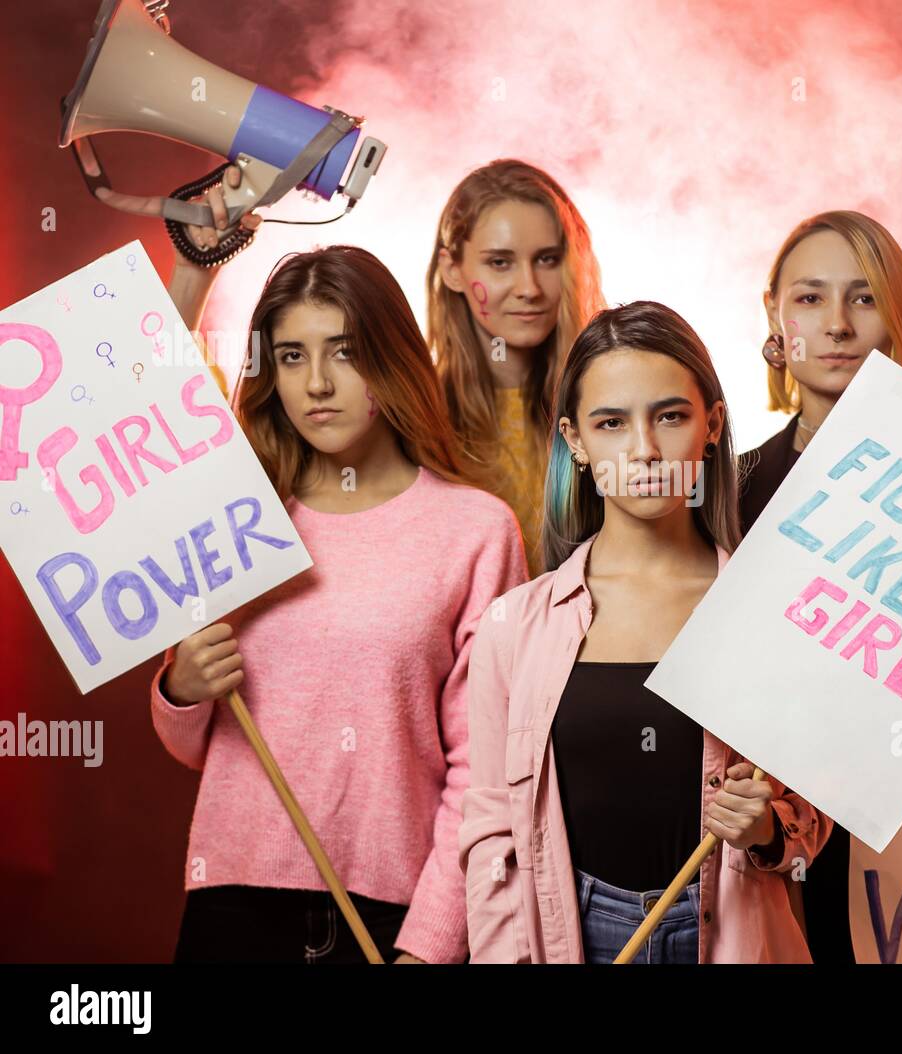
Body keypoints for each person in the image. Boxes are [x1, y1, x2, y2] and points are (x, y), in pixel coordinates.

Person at [151, 185, 528, 962]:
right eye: (292, 356)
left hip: (385, 918)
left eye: (344, 352)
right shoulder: (241, 511)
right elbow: (196, 743)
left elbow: (488, 767)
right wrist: (181, 687)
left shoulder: (475, 529)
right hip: (230, 905)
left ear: (390, 358)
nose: (316, 384)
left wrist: (429, 944)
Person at [460, 301, 831, 962]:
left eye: (670, 416)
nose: (645, 451)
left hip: (731, 934)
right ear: (576, 441)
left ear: (712, 424)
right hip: (571, 932)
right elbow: (492, 831)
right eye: (611, 423)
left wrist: (767, 829)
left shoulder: (772, 611)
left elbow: (811, 821)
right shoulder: (515, 625)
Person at [738, 210, 902, 963]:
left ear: (897, 318)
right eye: (811, 299)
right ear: (775, 318)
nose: (839, 325)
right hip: (770, 820)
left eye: (864, 298)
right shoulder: (731, 485)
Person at [428, 159, 605, 576]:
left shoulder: (615, 404)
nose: (529, 288)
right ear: (453, 270)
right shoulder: (419, 418)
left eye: (547, 259)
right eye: (500, 263)